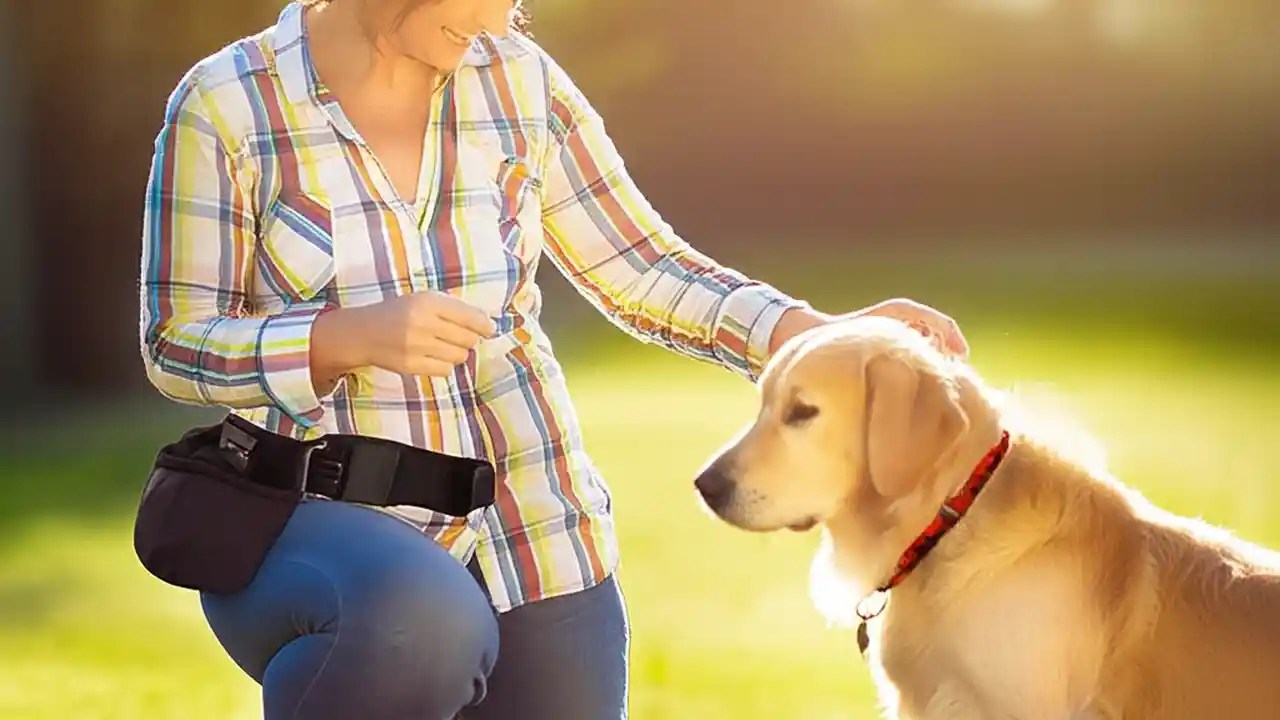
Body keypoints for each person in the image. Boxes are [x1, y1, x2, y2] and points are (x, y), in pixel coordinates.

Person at [138, 1, 969, 718]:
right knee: (418, 628)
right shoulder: (227, 105)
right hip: (319, 515)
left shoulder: (517, 81)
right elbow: (175, 339)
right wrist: (344, 337)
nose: (502, 19)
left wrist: (822, 336)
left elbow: (644, 268)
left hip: (534, 522)